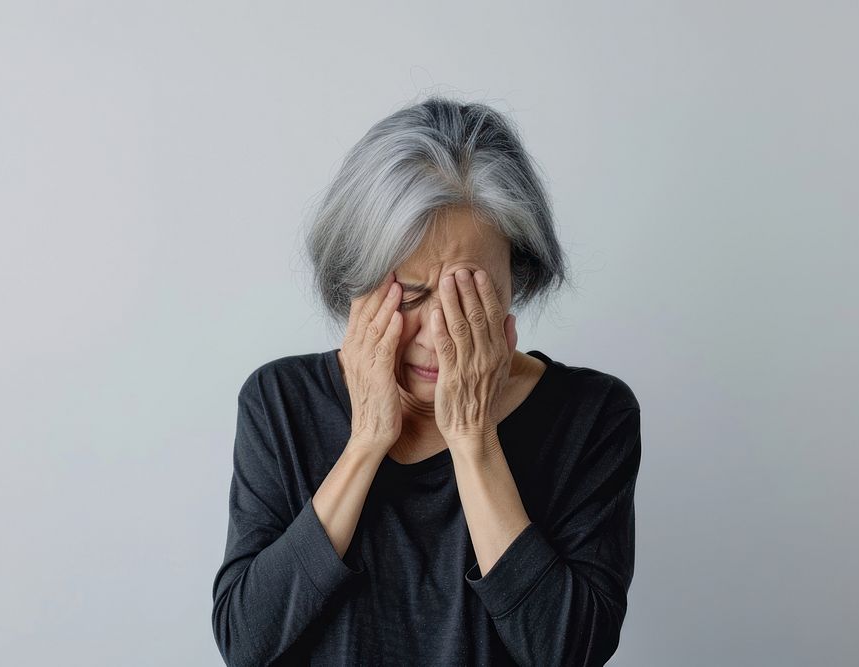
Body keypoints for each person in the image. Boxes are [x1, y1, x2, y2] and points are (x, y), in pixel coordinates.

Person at [210, 96, 642, 666]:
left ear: (516, 281)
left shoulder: (594, 415)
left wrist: (473, 439)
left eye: (471, 297)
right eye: (410, 294)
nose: (439, 335)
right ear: (355, 279)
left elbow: (567, 651)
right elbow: (247, 642)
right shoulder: (279, 402)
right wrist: (365, 443)